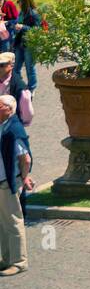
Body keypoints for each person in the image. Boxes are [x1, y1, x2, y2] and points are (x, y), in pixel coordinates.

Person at [0, 94, 32, 275]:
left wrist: (24, 178)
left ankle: (19, 262)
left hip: (8, 183)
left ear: (9, 110)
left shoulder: (13, 130)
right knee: (2, 223)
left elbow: (25, 159)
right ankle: (6, 259)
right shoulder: (3, 126)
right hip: (1, 182)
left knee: (13, 222)